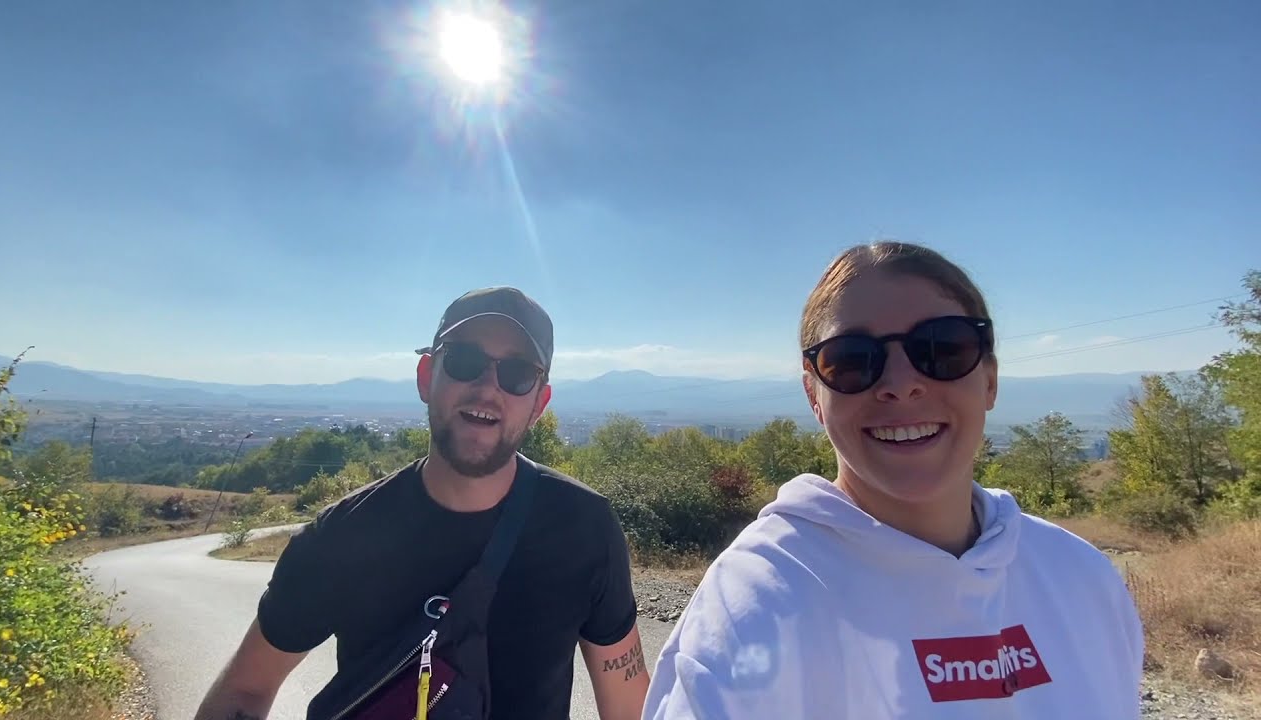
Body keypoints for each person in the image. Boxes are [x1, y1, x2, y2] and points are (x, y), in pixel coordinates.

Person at [642, 242, 1144, 719]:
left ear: (990, 378)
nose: (902, 385)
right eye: (853, 359)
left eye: (943, 347)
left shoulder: (1080, 578)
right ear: (814, 396)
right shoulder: (758, 602)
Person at [195, 286, 650, 720]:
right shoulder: (343, 535)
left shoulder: (584, 528)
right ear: (426, 376)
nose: (488, 387)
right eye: (465, 360)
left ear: (539, 404)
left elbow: (628, 707)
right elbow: (246, 689)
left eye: (517, 373)